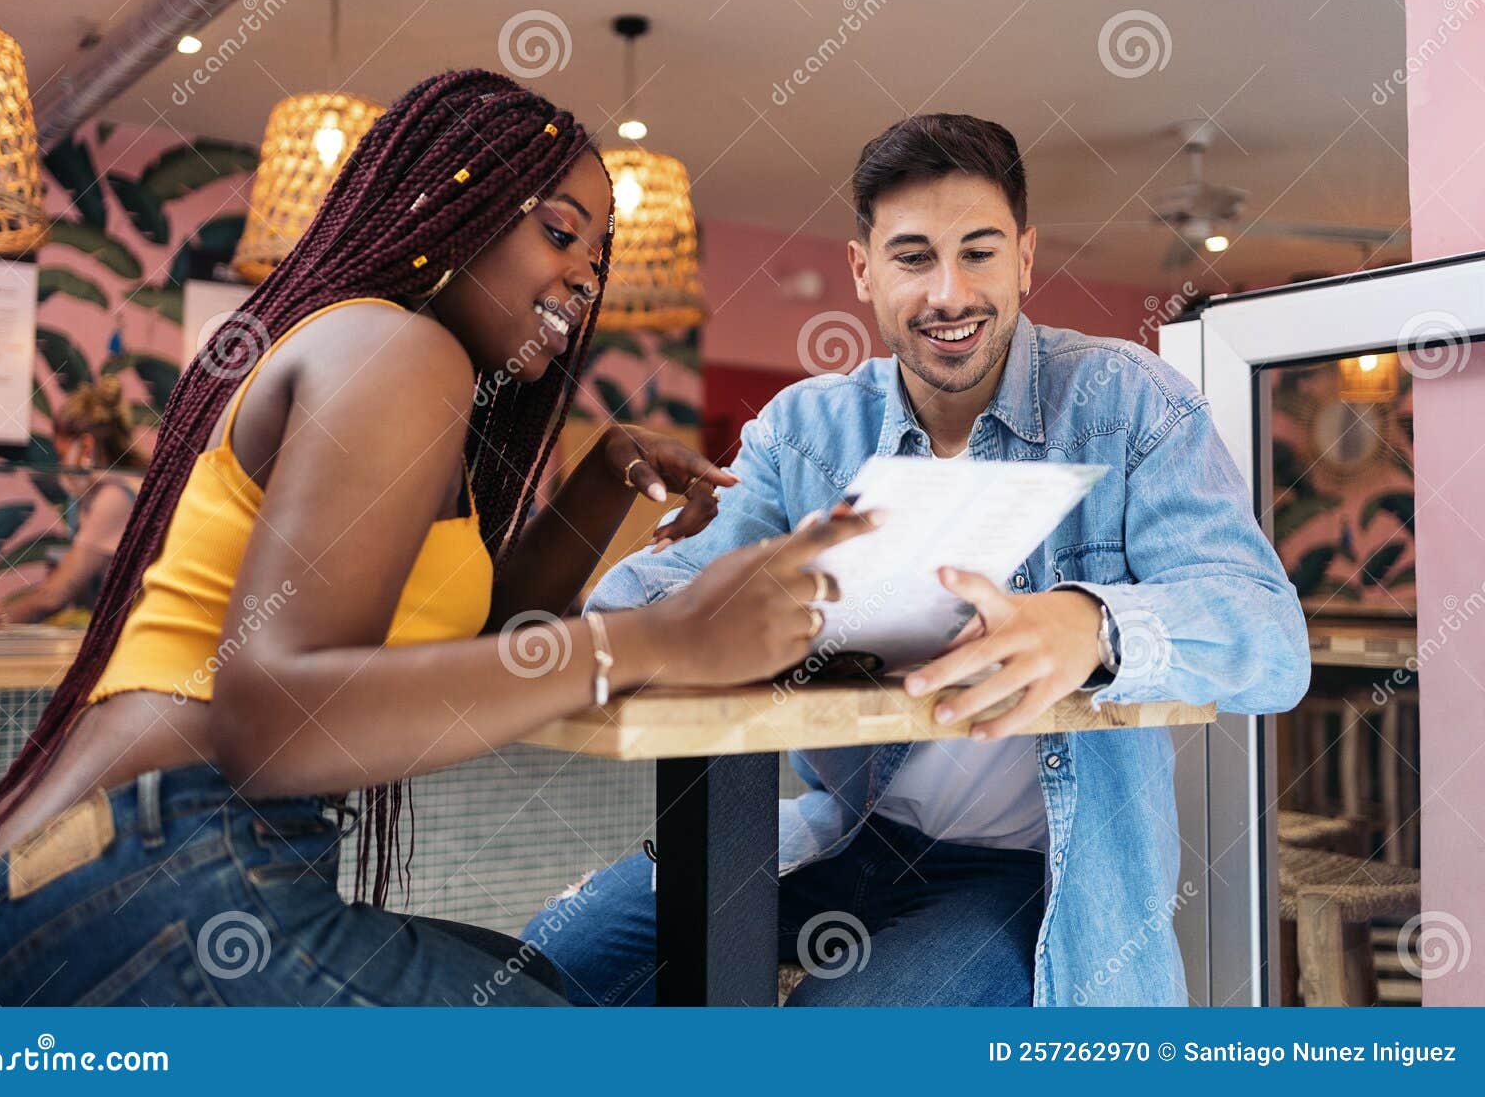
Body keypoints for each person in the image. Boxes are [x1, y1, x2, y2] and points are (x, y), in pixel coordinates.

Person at [0, 70, 875, 1007]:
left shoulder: (387, 357)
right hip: (142, 876)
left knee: (548, 986)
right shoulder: (395, 349)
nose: (585, 274)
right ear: (451, 211)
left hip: (85, 892)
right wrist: (665, 639)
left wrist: (595, 480)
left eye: (598, 252)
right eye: (559, 231)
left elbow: (478, 646)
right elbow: (273, 721)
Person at [526, 112, 1312, 1007]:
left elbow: (1271, 638)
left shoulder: (1131, 402)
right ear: (863, 271)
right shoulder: (806, 428)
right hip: (846, 833)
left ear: (1024, 258)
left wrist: (1089, 625)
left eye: (978, 253)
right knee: (554, 962)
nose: (948, 293)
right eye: (912, 258)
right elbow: (647, 601)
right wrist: (716, 602)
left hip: (1028, 875)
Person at [0, 377, 143, 627]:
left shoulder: (117, 497)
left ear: (86, 447)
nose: (61, 466)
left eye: (61, 454)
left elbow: (53, 597)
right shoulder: (121, 489)